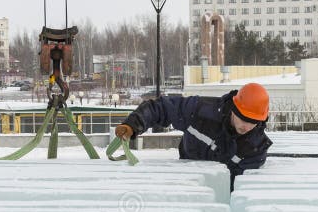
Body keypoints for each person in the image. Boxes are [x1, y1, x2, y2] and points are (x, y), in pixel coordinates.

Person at [115, 82, 272, 191]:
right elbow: (163, 107)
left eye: (253, 122)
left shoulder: (255, 148)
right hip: (184, 182)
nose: (247, 126)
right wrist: (133, 125)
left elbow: (238, 190)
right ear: (234, 109)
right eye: (243, 118)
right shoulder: (200, 111)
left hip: (216, 200)